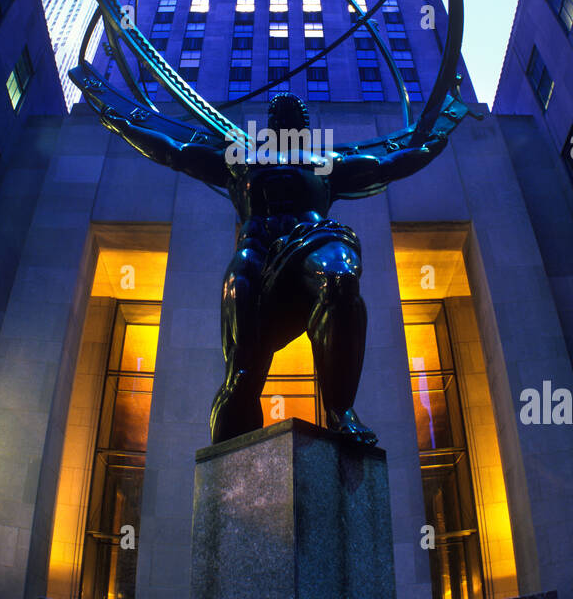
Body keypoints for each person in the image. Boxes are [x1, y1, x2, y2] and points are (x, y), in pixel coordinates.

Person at [100, 92, 448, 445]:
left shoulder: (324, 160)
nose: (286, 118)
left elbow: (387, 166)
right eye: (279, 114)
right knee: (242, 374)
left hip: (313, 241)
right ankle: (229, 458)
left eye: (294, 113)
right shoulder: (241, 159)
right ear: (269, 123)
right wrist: (125, 126)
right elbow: (176, 153)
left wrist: (435, 142)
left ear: (306, 124)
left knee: (340, 280)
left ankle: (340, 411)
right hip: (256, 254)